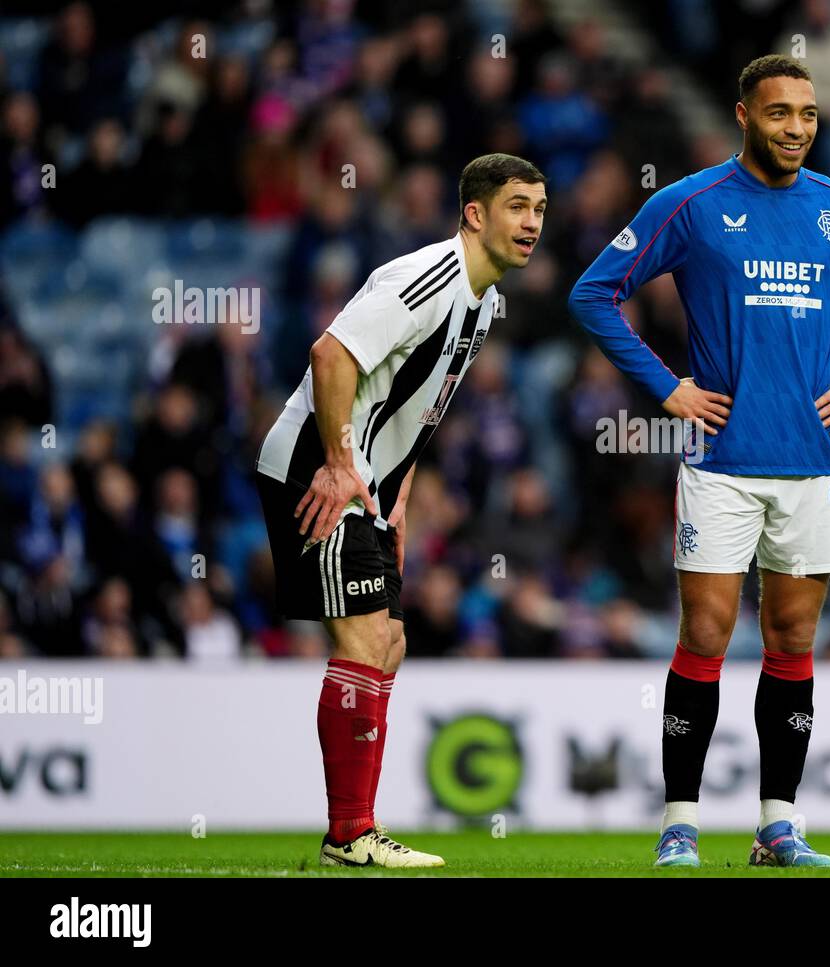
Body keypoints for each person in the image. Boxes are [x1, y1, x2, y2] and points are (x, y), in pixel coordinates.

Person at [569, 55, 830, 868]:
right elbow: (594, 290)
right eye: (779, 114)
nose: (796, 128)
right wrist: (666, 388)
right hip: (722, 459)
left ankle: (778, 824)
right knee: (704, 630)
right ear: (742, 115)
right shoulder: (690, 204)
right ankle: (680, 824)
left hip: (814, 462)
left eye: (806, 114)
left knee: (793, 636)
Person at [254, 153, 546, 868]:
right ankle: (350, 835)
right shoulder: (428, 277)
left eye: (539, 208)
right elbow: (332, 355)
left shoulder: (483, 302)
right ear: (474, 214)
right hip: (317, 470)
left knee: (389, 642)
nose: (532, 222)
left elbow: (418, 407)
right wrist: (338, 462)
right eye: (517, 206)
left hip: (367, 484)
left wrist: (401, 496)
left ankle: (355, 830)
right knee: (362, 641)